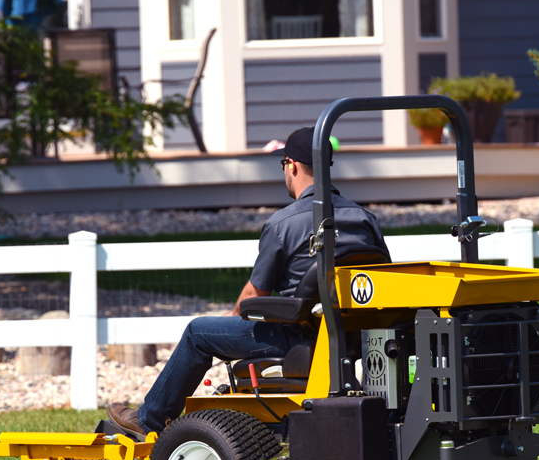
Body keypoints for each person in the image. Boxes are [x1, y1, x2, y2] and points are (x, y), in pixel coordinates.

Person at [106, 126, 387, 438]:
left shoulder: (283, 224)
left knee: (198, 332)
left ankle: (149, 421)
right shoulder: (364, 218)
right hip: (354, 338)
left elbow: (255, 293)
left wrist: (233, 314)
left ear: (291, 165)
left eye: (284, 166)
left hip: (299, 337)